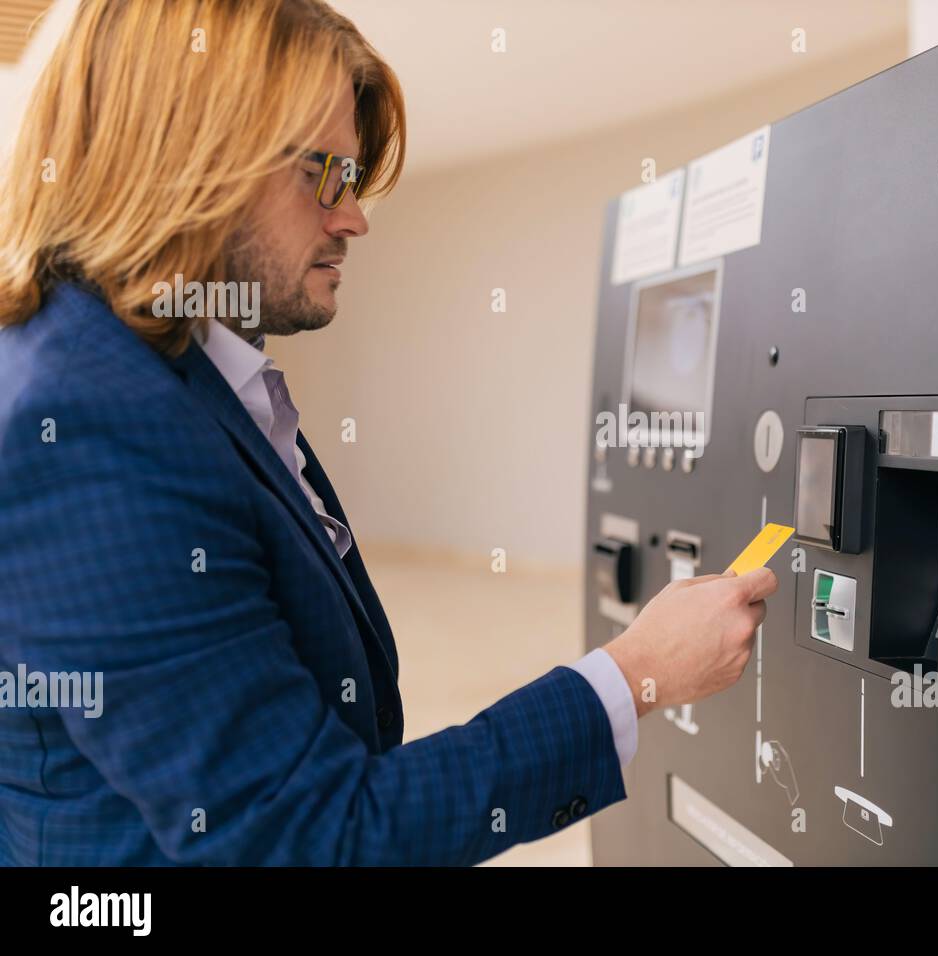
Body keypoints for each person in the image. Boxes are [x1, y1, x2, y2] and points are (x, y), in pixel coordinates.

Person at [0, 0, 776, 866]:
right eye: (322, 174)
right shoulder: (91, 427)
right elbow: (310, 838)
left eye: (355, 179)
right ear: (190, 157)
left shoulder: (168, 374)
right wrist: (635, 675)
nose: (353, 217)